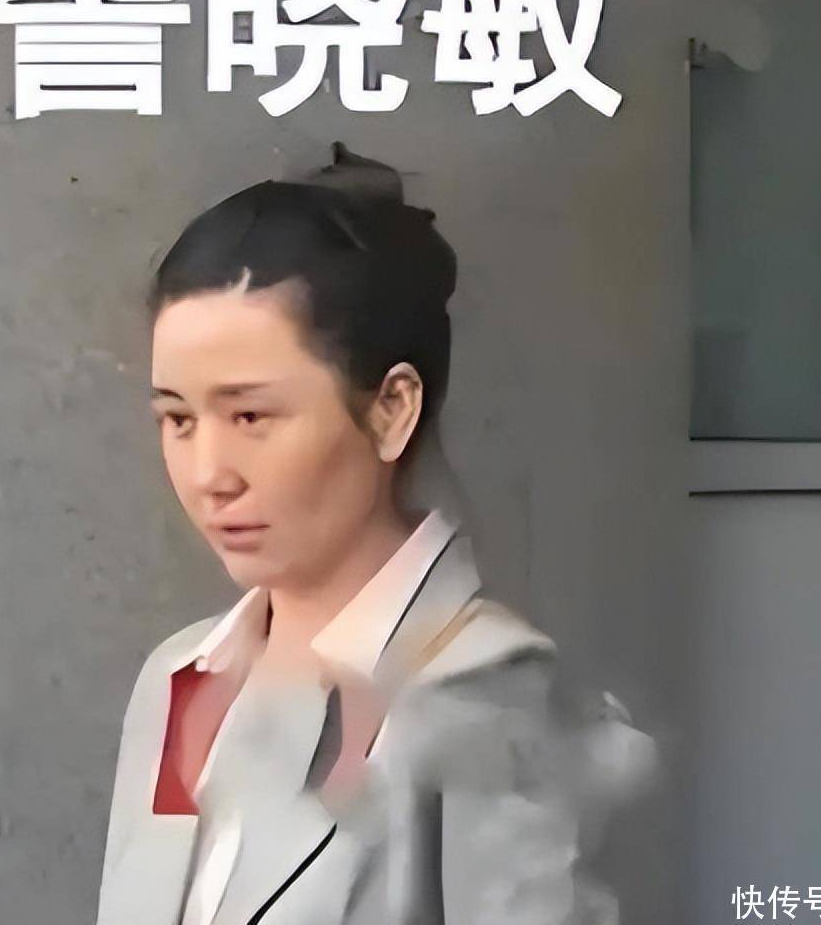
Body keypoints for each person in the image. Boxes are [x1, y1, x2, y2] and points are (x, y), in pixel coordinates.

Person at [94, 143, 656, 925]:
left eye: (251, 415)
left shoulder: (498, 704)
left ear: (391, 408)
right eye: (178, 419)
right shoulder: (178, 678)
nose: (209, 472)